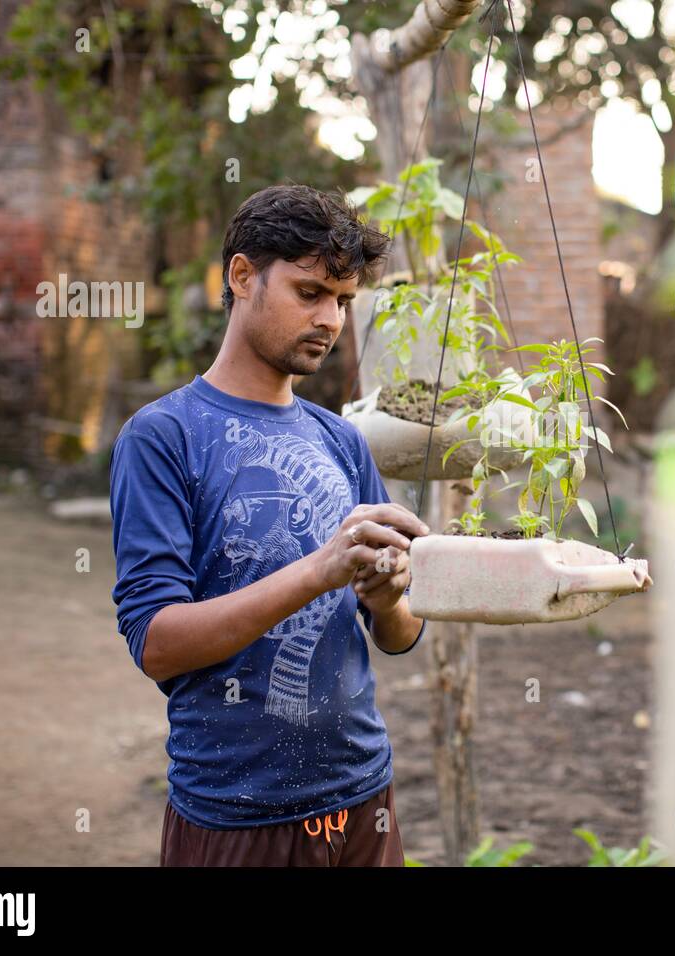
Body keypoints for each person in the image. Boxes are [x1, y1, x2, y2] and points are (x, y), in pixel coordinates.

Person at [109, 185, 430, 866]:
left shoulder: (340, 441)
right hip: (234, 814)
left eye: (342, 301)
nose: (330, 319)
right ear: (242, 276)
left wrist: (389, 595)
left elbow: (399, 636)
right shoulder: (164, 437)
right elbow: (157, 643)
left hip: (363, 800)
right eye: (309, 292)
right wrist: (319, 570)